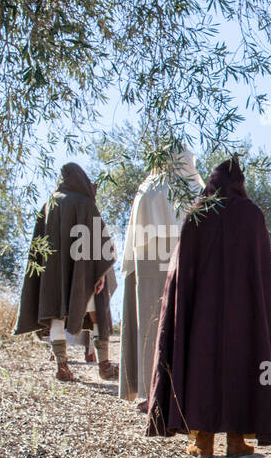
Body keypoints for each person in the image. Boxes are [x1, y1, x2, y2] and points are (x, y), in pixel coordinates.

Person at [145, 157, 271, 458]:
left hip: (202, 314)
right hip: (245, 315)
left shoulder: (198, 214)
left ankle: (203, 440)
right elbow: (263, 275)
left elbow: (179, 273)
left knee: (202, 364)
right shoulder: (253, 216)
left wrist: (184, 310)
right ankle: (237, 440)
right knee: (246, 362)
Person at [14, 163, 117, 382]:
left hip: (53, 274)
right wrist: (99, 274)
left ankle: (62, 366)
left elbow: (38, 246)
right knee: (96, 313)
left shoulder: (49, 205)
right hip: (84, 275)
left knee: (55, 315)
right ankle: (104, 365)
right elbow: (99, 242)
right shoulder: (85, 203)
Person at [118, 149, 204, 409]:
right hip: (188, 258)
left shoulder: (148, 187)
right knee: (186, 324)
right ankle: (187, 394)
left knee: (151, 324)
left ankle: (149, 392)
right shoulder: (195, 186)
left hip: (148, 259)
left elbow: (134, 235)